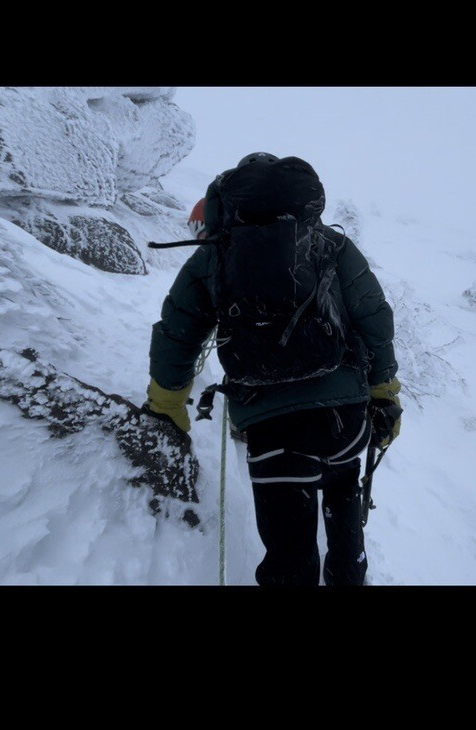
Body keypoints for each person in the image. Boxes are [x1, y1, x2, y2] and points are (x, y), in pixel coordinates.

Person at [148, 154, 401, 587]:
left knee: (289, 553)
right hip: (345, 417)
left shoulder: (216, 252)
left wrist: (168, 400)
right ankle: (349, 574)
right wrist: (385, 393)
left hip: (272, 427)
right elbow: (373, 318)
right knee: (343, 493)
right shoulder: (330, 245)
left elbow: (179, 329)